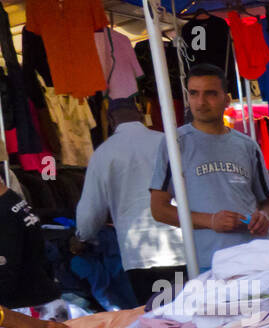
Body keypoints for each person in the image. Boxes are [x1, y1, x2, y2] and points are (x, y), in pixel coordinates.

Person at [149, 63, 269, 273]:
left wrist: (265, 217)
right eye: (194, 94)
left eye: (210, 94)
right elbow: (159, 209)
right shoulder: (175, 143)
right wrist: (210, 221)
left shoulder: (248, 146)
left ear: (226, 99)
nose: (200, 102)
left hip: (257, 257)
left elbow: (268, 201)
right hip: (210, 263)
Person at [75, 99, 187, 307]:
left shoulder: (104, 153)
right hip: (182, 245)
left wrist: (82, 237)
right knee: (190, 314)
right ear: (139, 114)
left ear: (110, 120)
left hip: (140, 255)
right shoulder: (168, 141)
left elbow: (90, 213)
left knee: (159, 320)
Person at [0, 176, 67, 328]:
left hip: (26, 317)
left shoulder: (4, 212)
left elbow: (5, 277)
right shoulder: (13, 201)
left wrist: (11, 320)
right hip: (31, 309)